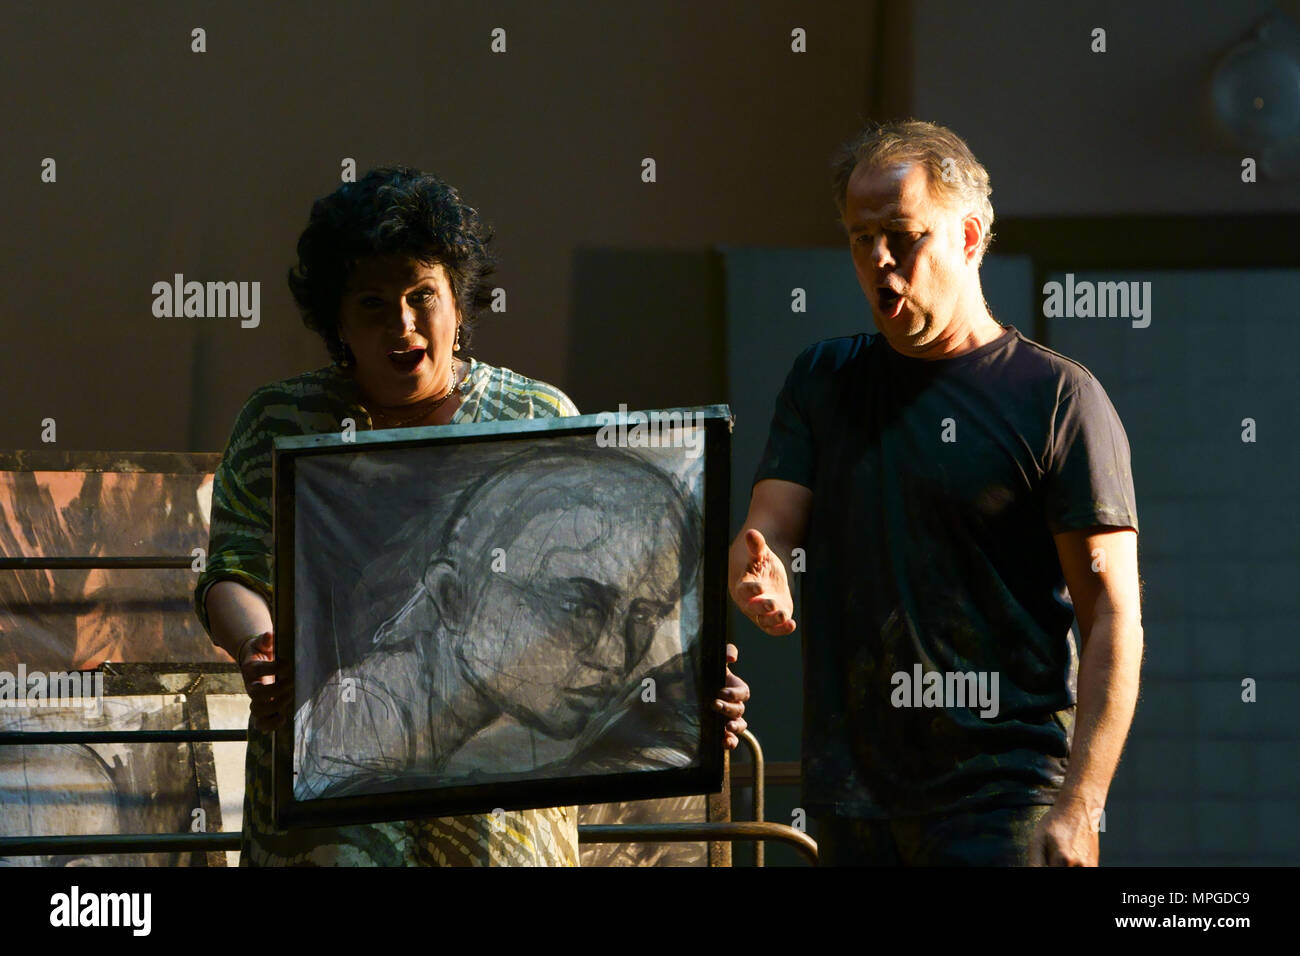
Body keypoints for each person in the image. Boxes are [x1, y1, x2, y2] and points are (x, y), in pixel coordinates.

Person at [195, 167, 749, 866]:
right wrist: (258, 647)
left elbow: (613, 611)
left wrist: (693, 687)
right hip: (328, 801)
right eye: (372, 303)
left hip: (504, 812)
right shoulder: (281, 420)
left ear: (457, 300)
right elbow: (232, 572)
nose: (402, 324)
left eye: (421, 295)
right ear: (337, 321)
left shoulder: (535, 419)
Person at [730, 120, 1142, 866]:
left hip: (1001, 796)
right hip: (850, 797)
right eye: (860, 238)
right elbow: (768, 532)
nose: (879, 258)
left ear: (969, 236)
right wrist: (760, 574)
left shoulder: (1056, 399)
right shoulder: (823, 382)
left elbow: (1114, 615)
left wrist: (1082, 806)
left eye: (901, 234)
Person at [294, 444, 707, 798]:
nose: (615, 656)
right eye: (576, 606)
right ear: (453, 598)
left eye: (645, 614)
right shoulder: (362, 716)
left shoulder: (518, 723)